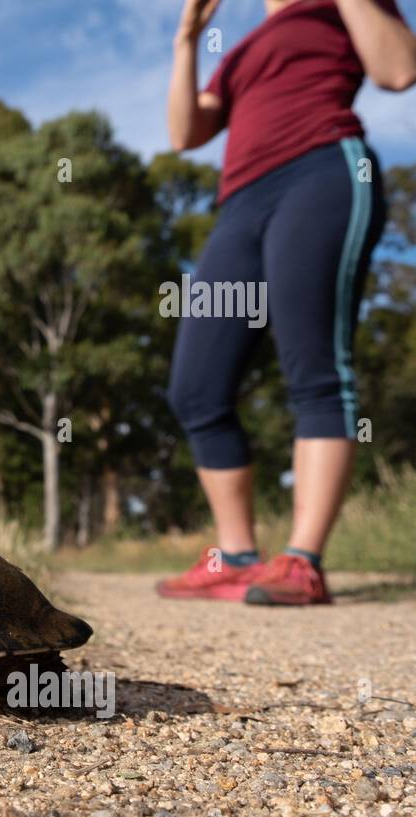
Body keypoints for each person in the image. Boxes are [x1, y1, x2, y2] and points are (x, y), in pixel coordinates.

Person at [158, 0, 416, 605]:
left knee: (315, 368)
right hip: (240, 203)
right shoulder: (245, 48)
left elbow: (398, 70)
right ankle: (236, 556)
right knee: (195, 387)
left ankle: (302, 560)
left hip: (322, 173)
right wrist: (186, 40)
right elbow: (183, 133)